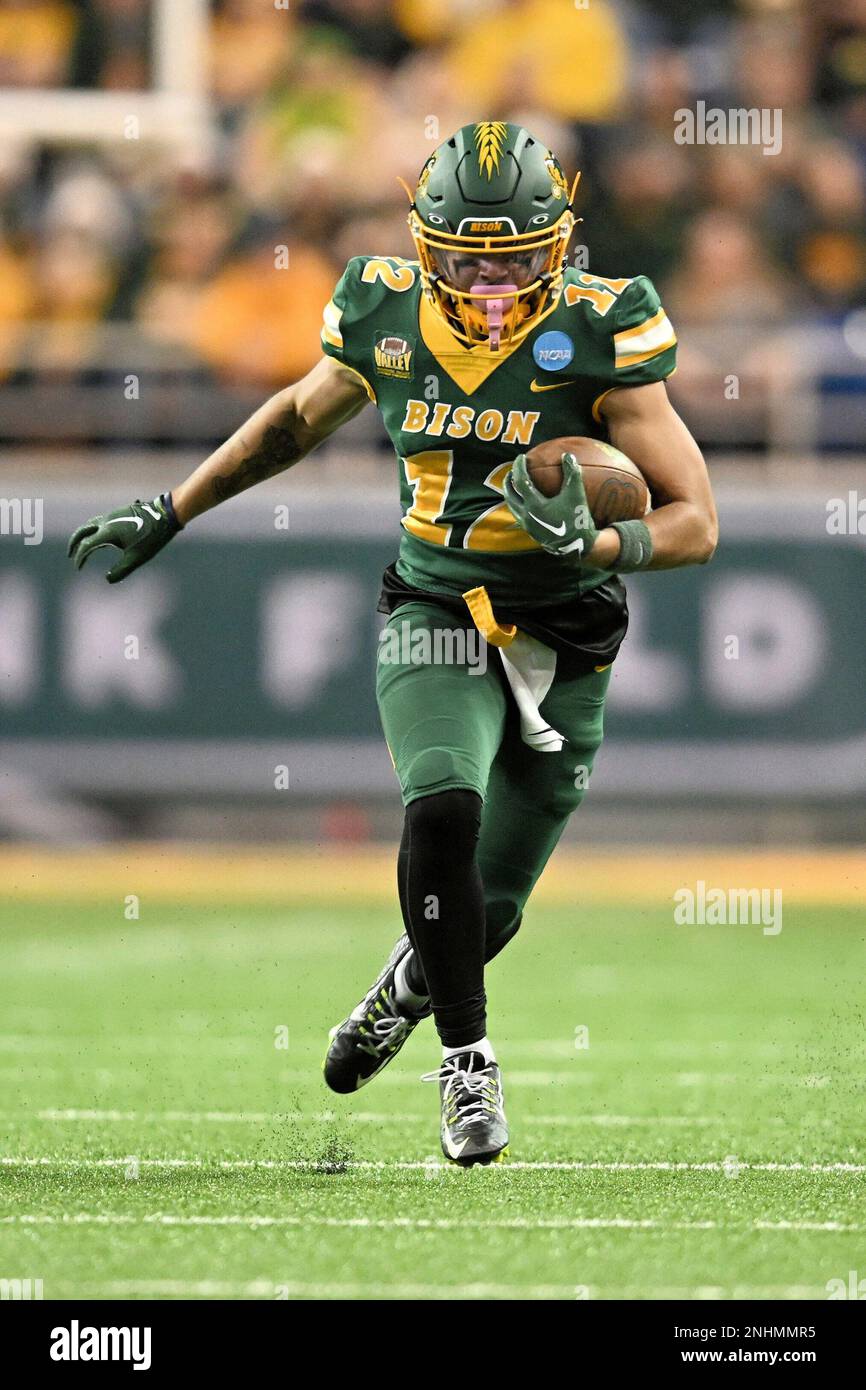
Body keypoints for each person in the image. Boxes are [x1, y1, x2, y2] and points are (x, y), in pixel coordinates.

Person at [68, 123, 718, 1166]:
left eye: (513, 256)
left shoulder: (603, 330)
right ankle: (467, 1067)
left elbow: (696, 519)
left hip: (567, 632)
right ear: (423, 244)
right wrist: (173, 507)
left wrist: (599, 539)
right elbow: (291, 419)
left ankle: (410, 985)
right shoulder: (380, 310)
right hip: (434, 608)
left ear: (557, 245)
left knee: (488, 906)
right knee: (442, 804)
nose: (491, 279)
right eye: (465, 256)